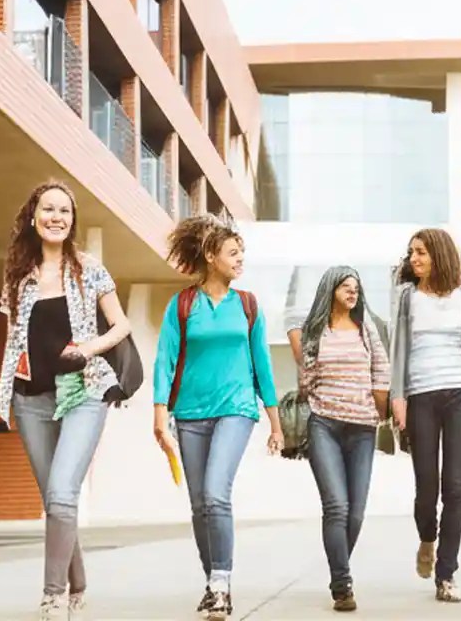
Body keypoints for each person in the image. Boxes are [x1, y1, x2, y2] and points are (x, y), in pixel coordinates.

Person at [0, 180, 132, 619]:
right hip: (31, 399)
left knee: (61, 493)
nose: (56, 217)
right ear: (33, 217)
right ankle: (79, 585)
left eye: (64, 211)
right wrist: (7, 388)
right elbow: (14, 338)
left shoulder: (89, 268)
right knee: (57, 500)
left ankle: (53, 596)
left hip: (83, 392)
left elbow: (121, 326)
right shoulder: (18, 274)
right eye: (48, 209)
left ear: (72, 221)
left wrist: (88, 348)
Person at [152, 214, 283, 621]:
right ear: (211, 256)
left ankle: (221, 585)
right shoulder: (183, 304)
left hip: (236, 408)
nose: (240, 259)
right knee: (199, 505)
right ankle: (213, 582)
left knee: (214, 493)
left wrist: (275, 421)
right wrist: (159, 413)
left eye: (242, 252)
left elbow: (262, 363)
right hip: (190, 413)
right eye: (233, 252)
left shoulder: (247, 305)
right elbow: (164, 360)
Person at [388, 228, 461, 604]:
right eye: (412, 252)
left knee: (455, 486)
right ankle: (427, 538)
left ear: (439, 255)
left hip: (460, 395)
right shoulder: (406, 296)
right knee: (426, 487)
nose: (414, 258)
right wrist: (398, 396)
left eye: (422, 252)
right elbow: (397, 348)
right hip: (420, 396)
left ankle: (446, 573)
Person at [295, 266, 391, 612]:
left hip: (362, 429)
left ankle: (338, 564)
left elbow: (381, 370)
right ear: (330, 290)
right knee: (336, 506)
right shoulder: (315, 330)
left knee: (356, 513)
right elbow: (306, 380)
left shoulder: (367, 328)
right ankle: (342, 583)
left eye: (356, 288)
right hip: (325, 426)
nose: (353, 292)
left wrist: (379, 412)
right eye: (345, 286)